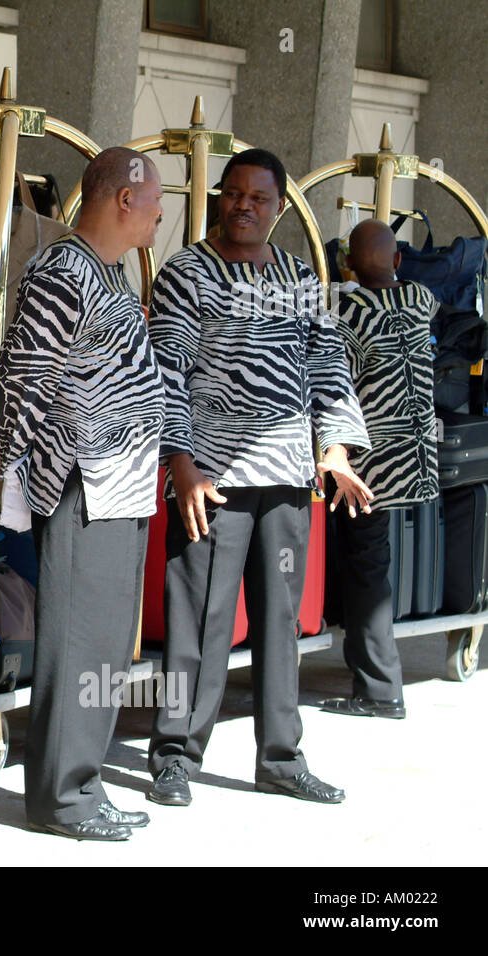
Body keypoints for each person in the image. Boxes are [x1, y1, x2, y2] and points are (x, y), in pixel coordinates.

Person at [145, 149, 374, 808]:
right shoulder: (187, 272)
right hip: (210, 479)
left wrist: (335, 451)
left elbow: (329, 363)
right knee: (200, 624)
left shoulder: (301, 276)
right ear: (220, 197)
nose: (244, 207)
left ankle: (280, 755)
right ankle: (174, 755)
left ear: (278, 206)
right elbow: (169, 370)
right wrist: (180, 463)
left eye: (258, 198)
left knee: (281, 624)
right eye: (234, 194)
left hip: (286, 479)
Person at [0, 146, 166, 841]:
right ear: (125, 199)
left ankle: (83, 786)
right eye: (155, 201)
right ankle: (62, 799)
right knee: (78, 647)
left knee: (102, 652)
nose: (159, 215)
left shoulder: (106, 274)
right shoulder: (65, 270)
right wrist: (8, 485)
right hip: (82, 486)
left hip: (118, 490)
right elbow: (24, 379)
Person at [322, 219, 440, 719]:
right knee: (376, 562)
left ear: (348, 266)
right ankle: (365, 668)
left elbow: (333, 376)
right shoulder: (419, 299)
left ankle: (380, 689)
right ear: (397, 262)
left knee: (366, 566)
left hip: (368, 462)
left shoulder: (349, 311)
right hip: (417, 457)